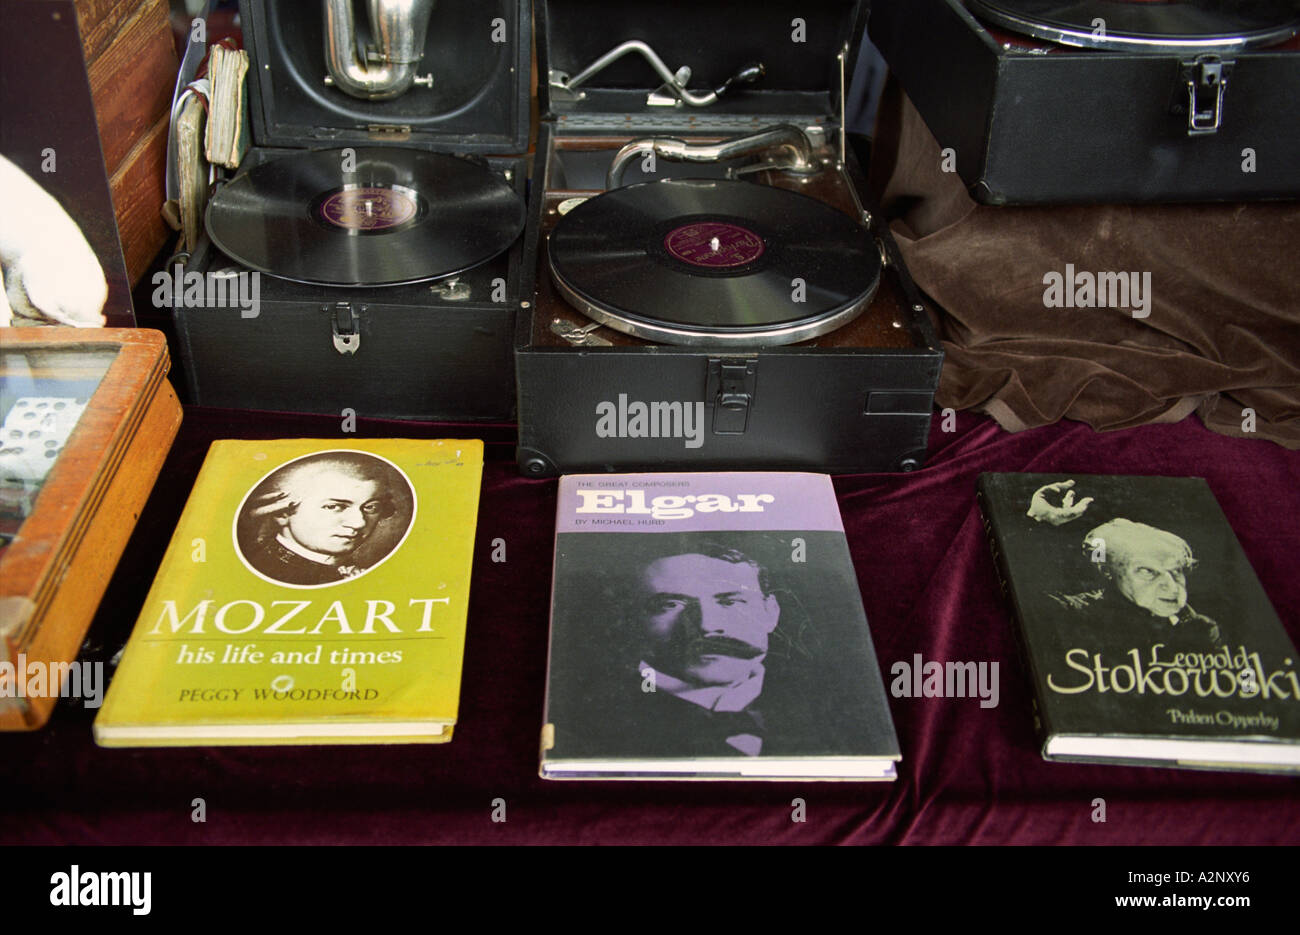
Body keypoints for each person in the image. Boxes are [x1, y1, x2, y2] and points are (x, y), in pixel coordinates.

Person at [1028, 480, 1222, 649]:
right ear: (1107, 570)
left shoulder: (1201, 629)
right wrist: (1040, 519)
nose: (1172, 587)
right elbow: (1018, 593)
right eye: (1147, 571)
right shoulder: (1072, 613)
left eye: (1175, 571)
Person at [240, 453, 392, 586]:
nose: (359, 523)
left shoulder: (359, 574)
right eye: (333, 506)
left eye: (371, 507)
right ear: (282, 513)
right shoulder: (256, 568)